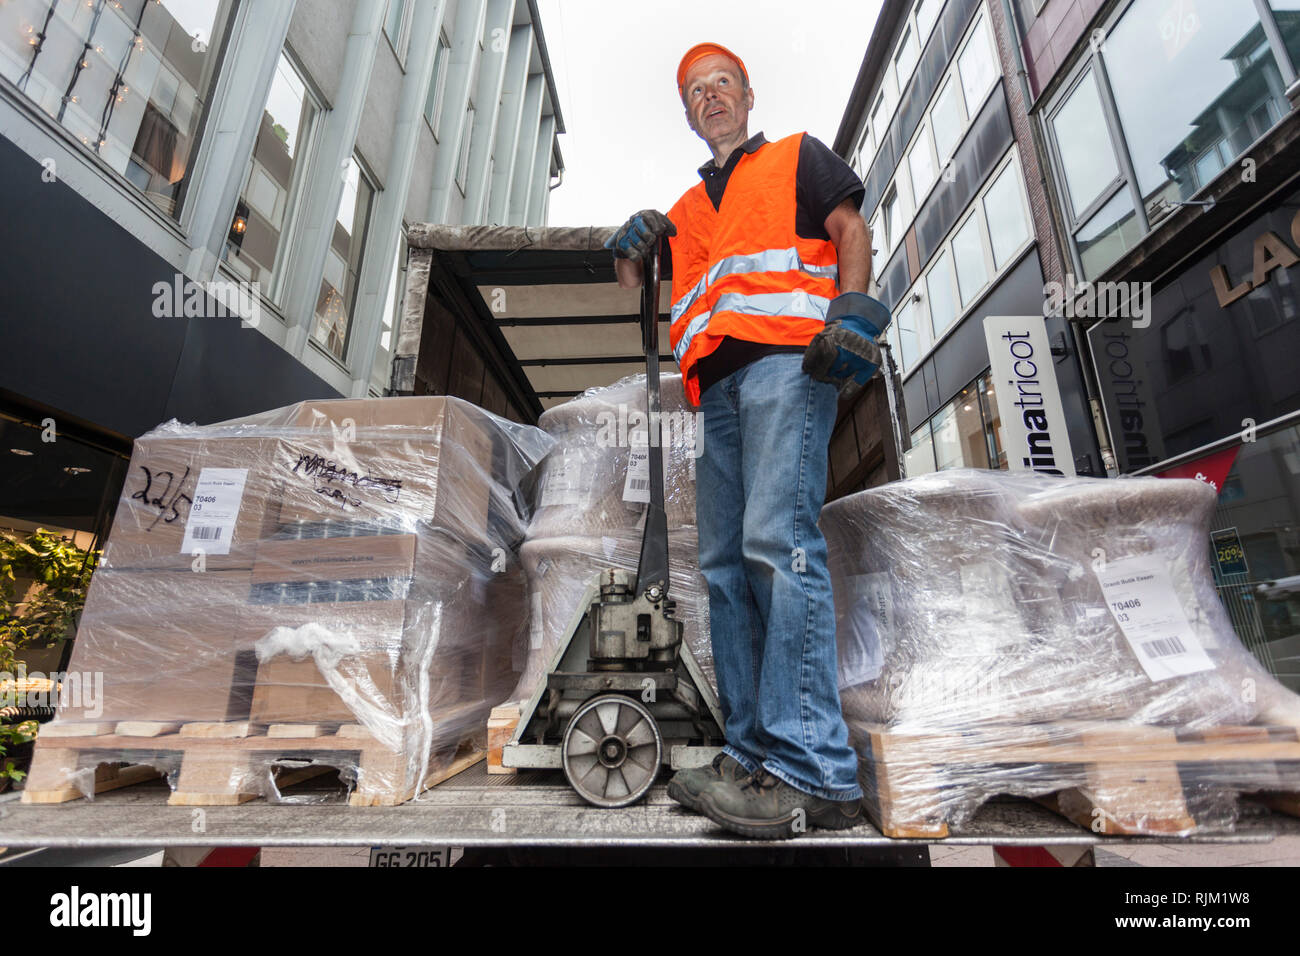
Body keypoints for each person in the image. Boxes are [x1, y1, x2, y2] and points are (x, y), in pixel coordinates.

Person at [607, 42, 888, 839]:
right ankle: (752, 752)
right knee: (726, 569)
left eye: (721, 83)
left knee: (778, 545)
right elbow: (636, 279)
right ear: (690, 112)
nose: (710, 97)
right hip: (716, 392)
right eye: (696, 91)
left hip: (787, 369)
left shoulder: (796, 157)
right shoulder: (689, 210)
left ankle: (816, 773)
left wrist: (855, 314)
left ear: (747, 94)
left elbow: (851, 227)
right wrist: (630, 243)